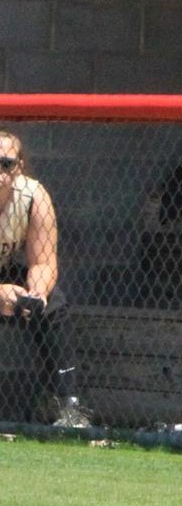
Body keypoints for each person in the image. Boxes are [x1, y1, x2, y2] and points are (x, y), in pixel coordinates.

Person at [0, 130, 90, 428]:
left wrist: (36, 293)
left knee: (53, 302)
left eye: (6, 163)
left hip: (5, 272)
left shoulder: (32, 195)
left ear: (19, 167)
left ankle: (67, 404)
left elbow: (43, 261)